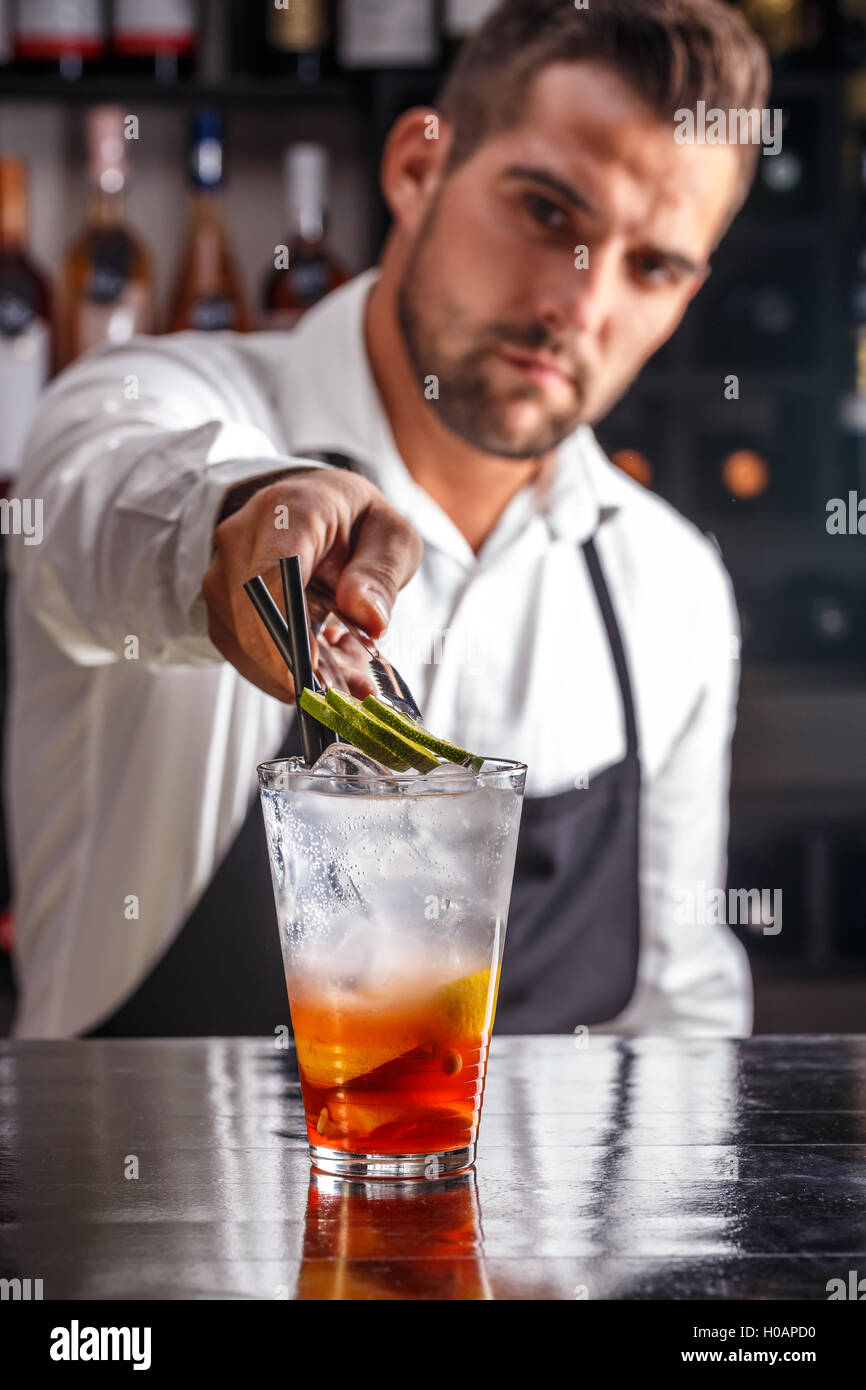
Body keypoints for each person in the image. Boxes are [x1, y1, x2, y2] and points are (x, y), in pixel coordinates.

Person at [5, 0, 770, 1039]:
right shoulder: (153, 394)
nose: (577, 307)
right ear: (418, 165)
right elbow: (92, 528)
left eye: (651, 266)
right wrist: (235, 520)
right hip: (152, 1200)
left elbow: (679, 1011)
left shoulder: (668, 585)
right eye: (548, 213)